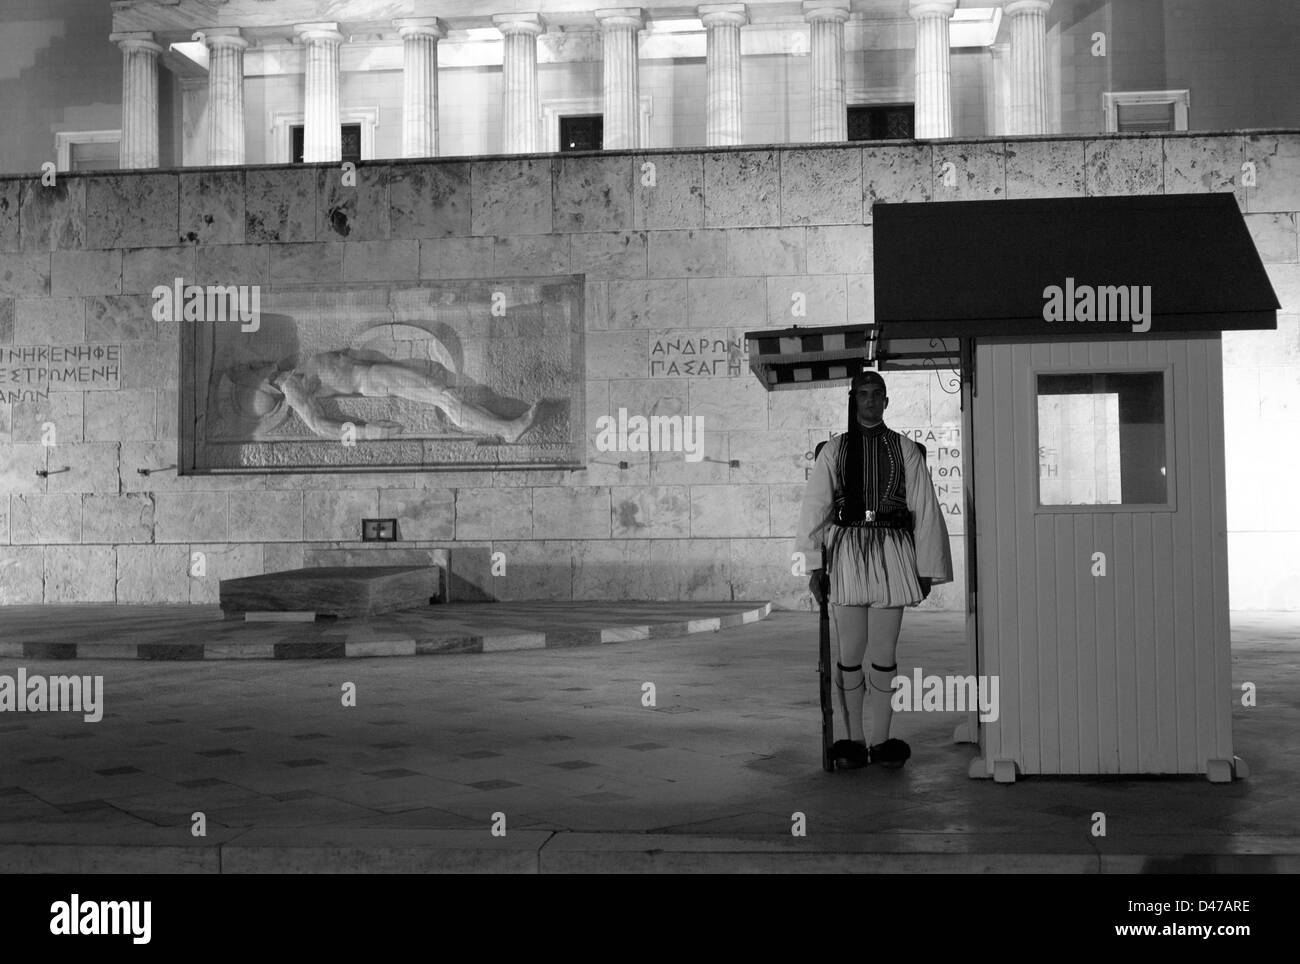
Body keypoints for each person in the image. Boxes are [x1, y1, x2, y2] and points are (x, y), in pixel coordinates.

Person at [796, 369, 953, 769]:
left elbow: (925, 510)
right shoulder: (834, 449)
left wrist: (926, 567)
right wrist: (814, 564)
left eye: (876, 393)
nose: (869, 400)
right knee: (850, 651)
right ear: (853, 400)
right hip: (847, 550)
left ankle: (881, 741)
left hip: (893, 551)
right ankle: (852, 740)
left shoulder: (906, 449)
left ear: (886, 401)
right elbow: (815, 509)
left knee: (884, 651)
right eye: (862, 394)